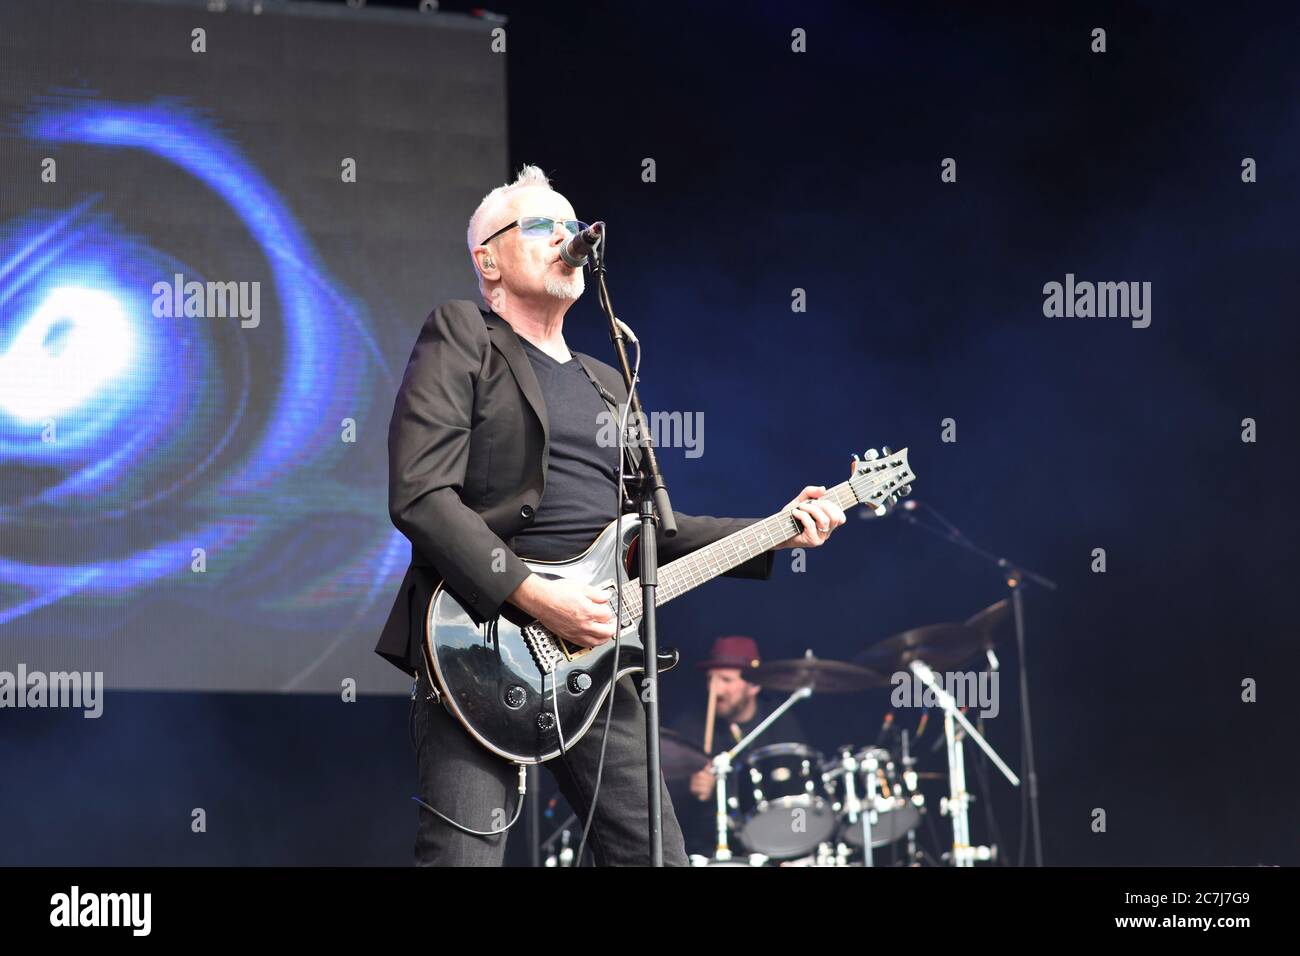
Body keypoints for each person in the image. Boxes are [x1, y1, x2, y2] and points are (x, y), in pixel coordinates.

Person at [375, 164, 846, 866]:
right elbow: (420, 493)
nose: (566, 235)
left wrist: (779, 526)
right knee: (462, 856)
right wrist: (536, 596)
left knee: (653, 857)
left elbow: (658, 533)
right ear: (488, 260)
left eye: (571, 224)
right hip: (478, 642)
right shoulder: (464, 335)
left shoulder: (608, 378)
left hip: (595, 661)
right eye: (541, 225)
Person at [670, 635, 809, 855]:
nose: (714, 690)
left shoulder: (779, 722)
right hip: (708, 850)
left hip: (773, 843)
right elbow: (663, 799)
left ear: (753, 685)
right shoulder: (691, 727)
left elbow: (797, 795)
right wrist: (689, 789)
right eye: (710, 680)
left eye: (725, 680)